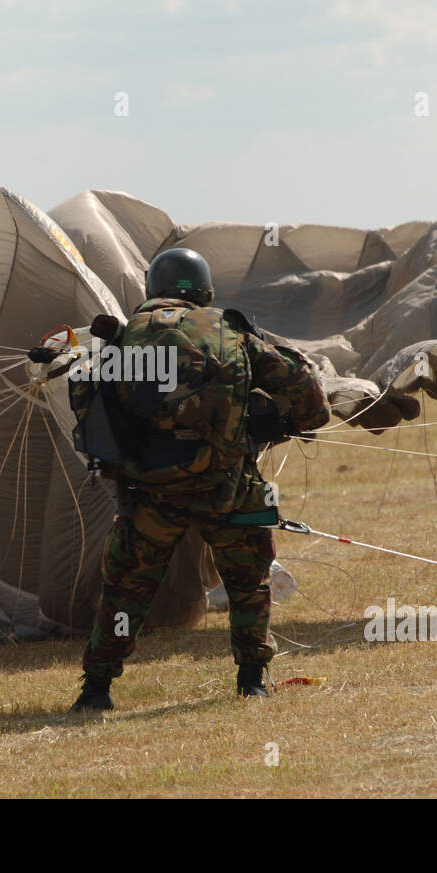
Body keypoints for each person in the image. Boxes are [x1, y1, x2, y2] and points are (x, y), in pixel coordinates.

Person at [70, 247, 330, 712]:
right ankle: (252, 680)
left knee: (126, 591)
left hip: (149, 496)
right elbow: (310, 400)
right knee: (248, 582)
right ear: (205, 289)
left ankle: (97, 690)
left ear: (155, 288)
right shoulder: (230, 330)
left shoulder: (123, 335)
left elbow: (96, 414)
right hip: (225, 489)